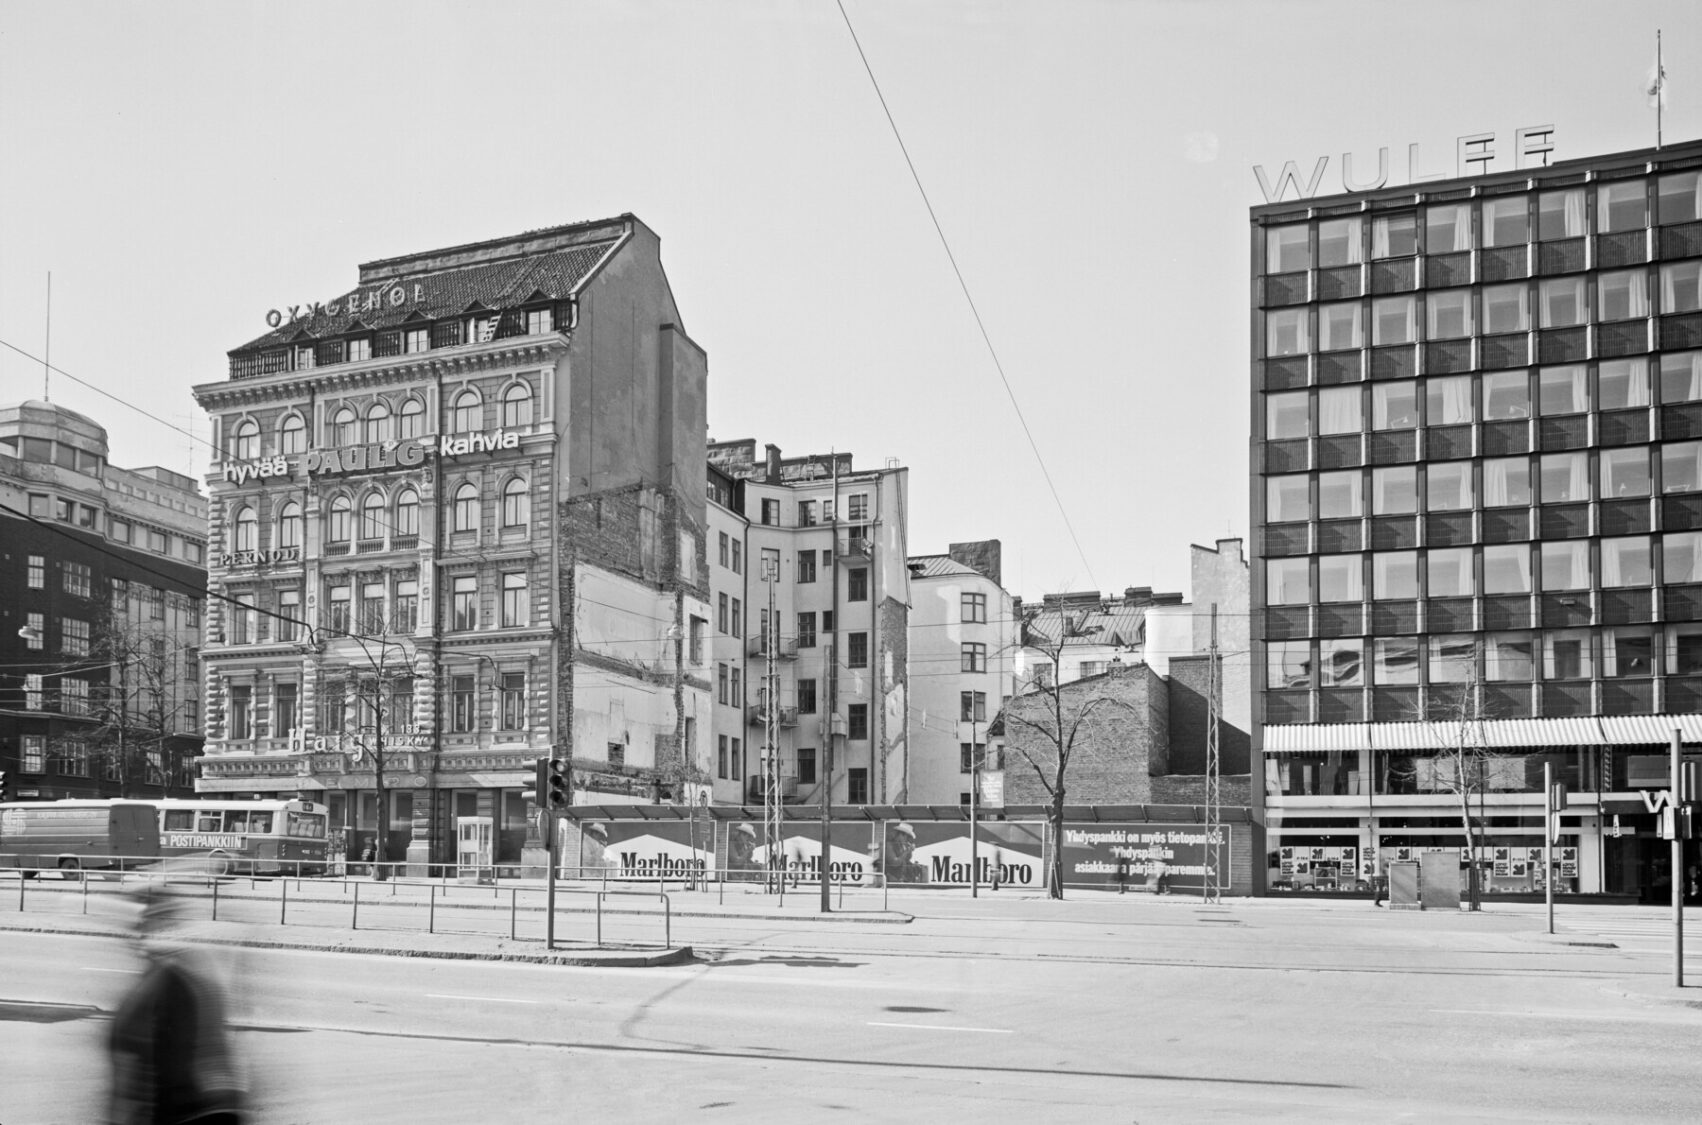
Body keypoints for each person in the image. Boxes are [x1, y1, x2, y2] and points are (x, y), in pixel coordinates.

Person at [108, 878, 246, 1124]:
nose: (131, 931)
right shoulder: (192, 978)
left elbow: (138, 1084)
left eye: (140, 922)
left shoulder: (162, 985)